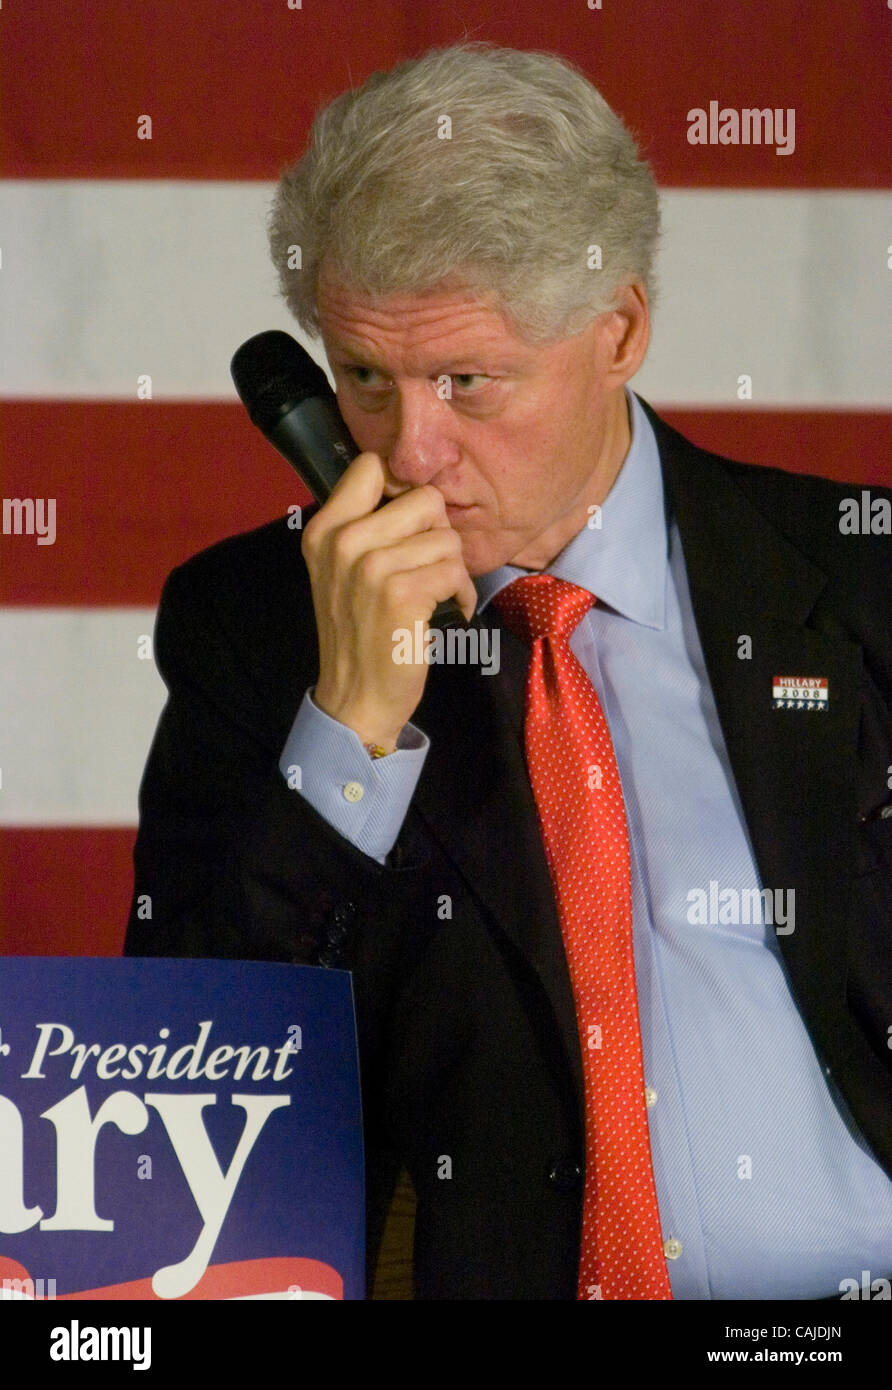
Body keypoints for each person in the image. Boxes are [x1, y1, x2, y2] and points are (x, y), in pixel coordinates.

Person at [125, 42, 892, 1300]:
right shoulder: (251, 629)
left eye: (466, 381)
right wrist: (349, 728)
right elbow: (175, 1098)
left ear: (620, 330)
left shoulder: (855, 582)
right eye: (363, 379)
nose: (413, 452)